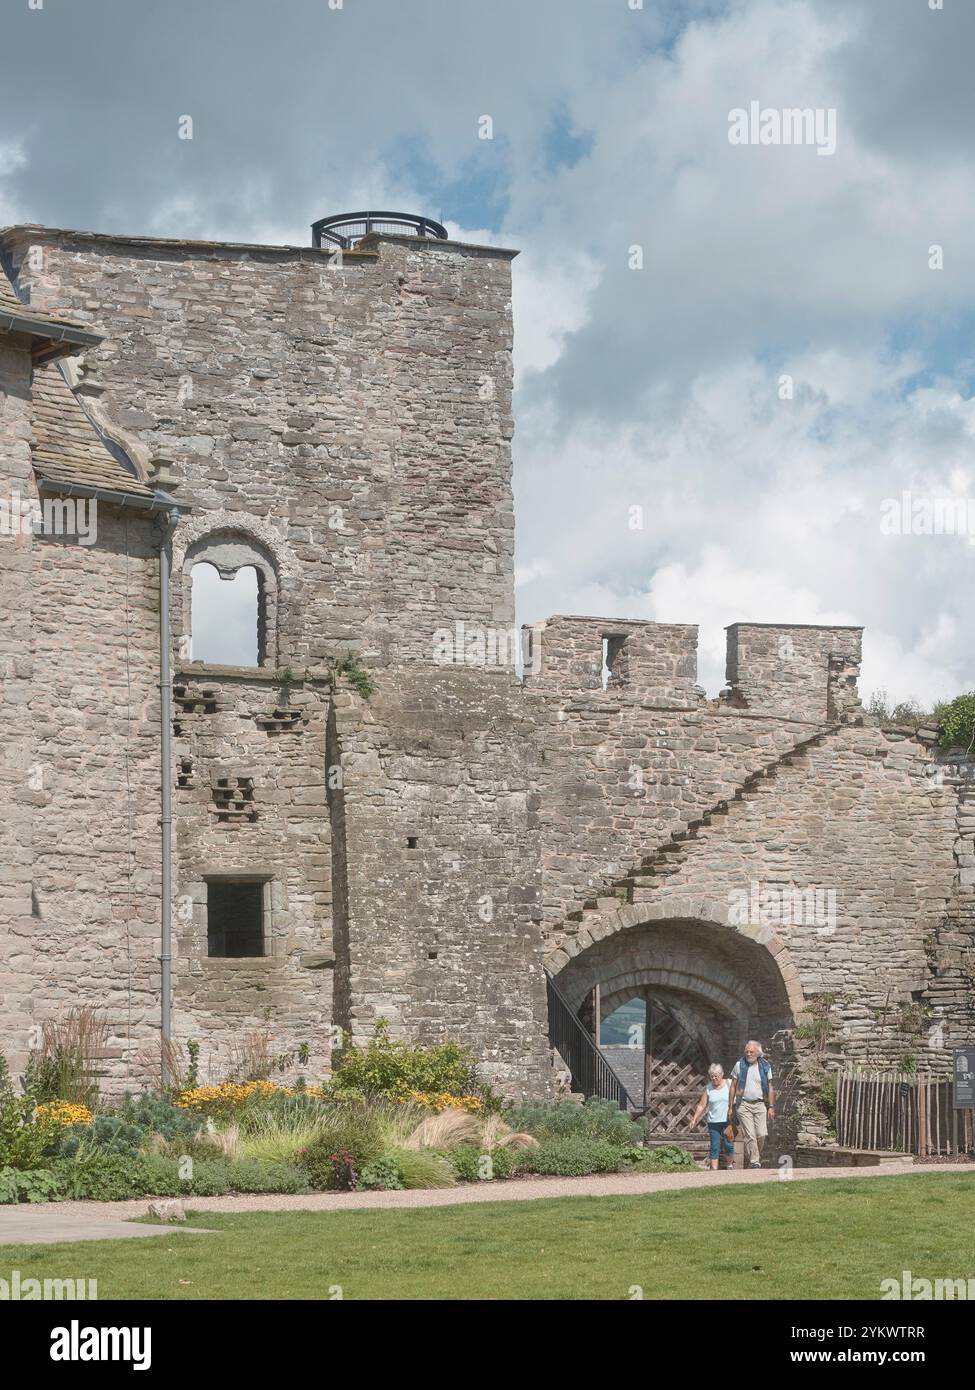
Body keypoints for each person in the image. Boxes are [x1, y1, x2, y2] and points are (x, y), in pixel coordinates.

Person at [727, 1040, 774, 1169]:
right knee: (750, 1134)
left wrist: (771, 1106)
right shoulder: (739, 1065)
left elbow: (770, 1087)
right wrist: (730, 1106)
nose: (748, 1054)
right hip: (743, 1104)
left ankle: (752, 1156)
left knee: (761, 1134)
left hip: (760, 1104)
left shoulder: (765, 1066)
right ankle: (755, 1161)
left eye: (751, 1051)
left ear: (758, 1053)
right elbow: (733, 1086)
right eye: (747, 1051)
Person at [688, 1063, 735, 1171]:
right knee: (715, 1146)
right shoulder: (709, 1088)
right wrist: (694, 1118)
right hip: (713, 1122)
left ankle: (729, 1165)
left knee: (728, 1144)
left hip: (727, 1120)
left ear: (721, 1075)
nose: (714, 1078)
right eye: (712, 1076)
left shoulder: (729, 1083)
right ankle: (714, 1171)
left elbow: (738, 1096)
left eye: (716, 1076)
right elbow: (701, 1105)